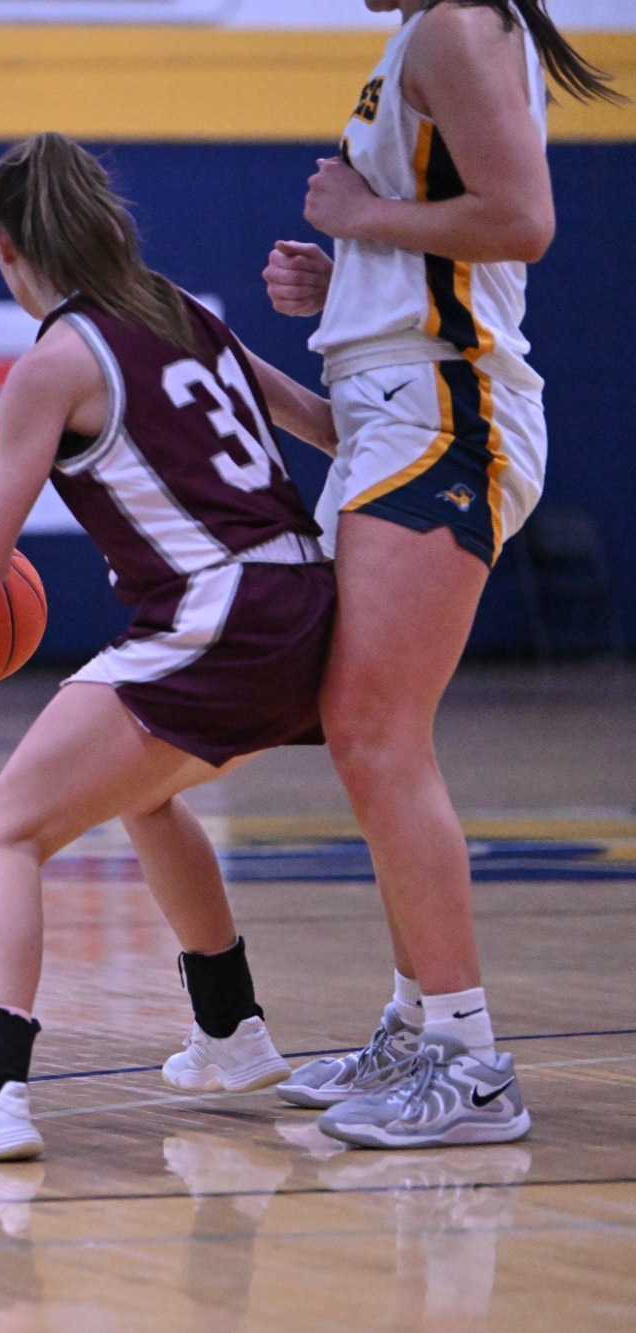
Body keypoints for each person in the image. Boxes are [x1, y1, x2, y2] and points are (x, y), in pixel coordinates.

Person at [0, 134, 340, 1161]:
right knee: (145, 791)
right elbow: (324, 425)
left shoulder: (53, 364)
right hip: (306, 600)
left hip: (216, 614)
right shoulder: (182, 309)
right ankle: (228, 1030)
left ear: (0, 245)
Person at [261, 0, 615, 1149]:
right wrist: (354, 270)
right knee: (357, 725)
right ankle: (420, 1023)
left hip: (444, 406)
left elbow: (518, 220)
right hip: (400, 396)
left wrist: (360, 214)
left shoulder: (457, 24)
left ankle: (467, 1061)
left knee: (375, 728)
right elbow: (455, 231)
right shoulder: (437, 29)